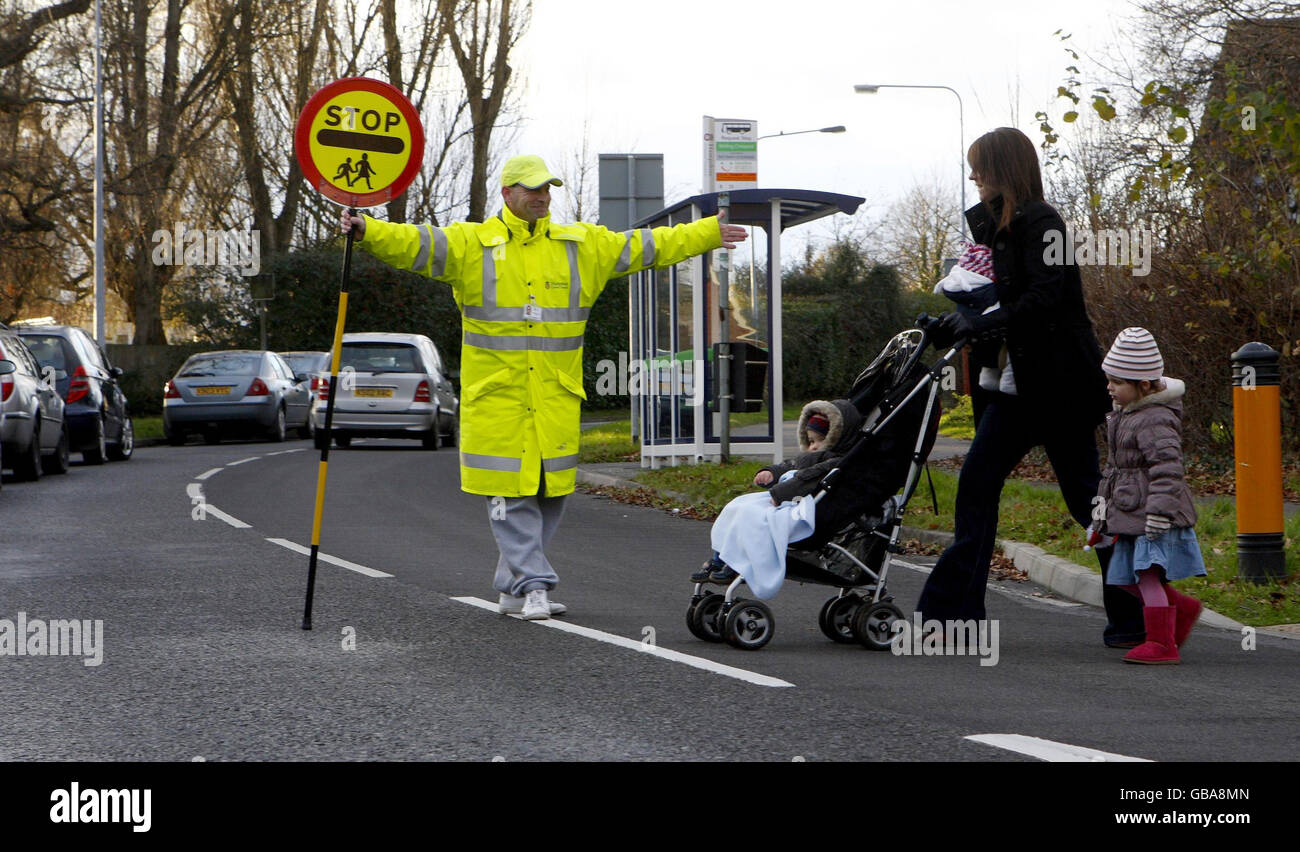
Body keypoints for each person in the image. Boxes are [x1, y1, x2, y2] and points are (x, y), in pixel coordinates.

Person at [341, 154, 747, 620]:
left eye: (547, 189)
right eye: (532, 189)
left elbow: (644, 246)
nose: (542, 197)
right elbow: (415, 243)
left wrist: (707, 233)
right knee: (511, 499)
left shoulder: (579, 246)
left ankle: (510, 587)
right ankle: (535, 585)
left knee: (549, 497)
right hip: (498, 403)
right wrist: (367, 230)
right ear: (506, 193)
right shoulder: (472, 245)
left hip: (554, 400)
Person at [919, 126, 1146, 646]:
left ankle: (1136, 614)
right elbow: (992, 294)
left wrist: (981, 322)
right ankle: (957, 617)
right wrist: (956, 320)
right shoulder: (998, 228)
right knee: (981, 487)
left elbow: (1045, 299)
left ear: (1004, 169)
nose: (973, 176)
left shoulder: (1043, 224)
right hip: (1016, 388)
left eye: (980, 167)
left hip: (1057, 387)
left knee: (1084, 498)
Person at [1096, 327, 1205, 664]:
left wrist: (1159, 512)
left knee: (1145, 575)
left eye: (1117, 381)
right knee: (1126, 578)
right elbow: (1115, 470)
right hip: (1130, 511)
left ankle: (1162, 643)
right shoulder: (1126, 414)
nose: (1110, 387)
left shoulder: (1156, 419)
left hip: (1154, 515)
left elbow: (1168, 469)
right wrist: (1100, 512)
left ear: (1143, 385)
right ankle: (1181, 609)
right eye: (1109, 379)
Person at [690, 400, 853, 586]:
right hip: (784, 501)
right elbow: (788, 466)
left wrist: (780, 494)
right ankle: (720, 557)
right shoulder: (808, 458)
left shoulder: (833, 464)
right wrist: (771, 472)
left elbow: (806, 480)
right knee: (737, 506)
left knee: (752, 517)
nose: (813, 446)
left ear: (835, 439)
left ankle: (738, 563)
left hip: (800, 510)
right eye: (810, 441)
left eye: (819, 441)